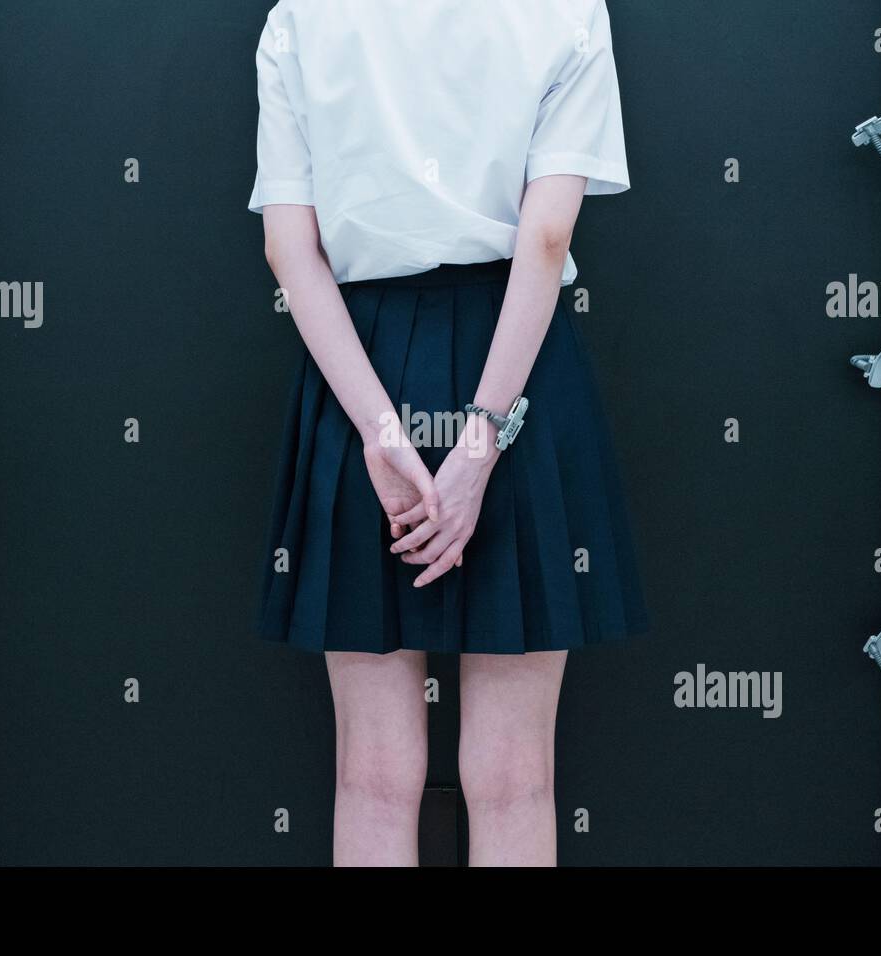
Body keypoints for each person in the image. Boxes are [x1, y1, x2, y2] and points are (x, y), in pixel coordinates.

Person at [249, 0, 647, 866]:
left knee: (372, 778)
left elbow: (290, 249)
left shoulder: (299, 20)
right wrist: (481, 444)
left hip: (357, 376)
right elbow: (545, 236)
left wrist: (381, 430)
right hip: (520, 364)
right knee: (515, 779)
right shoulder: (567, 10)